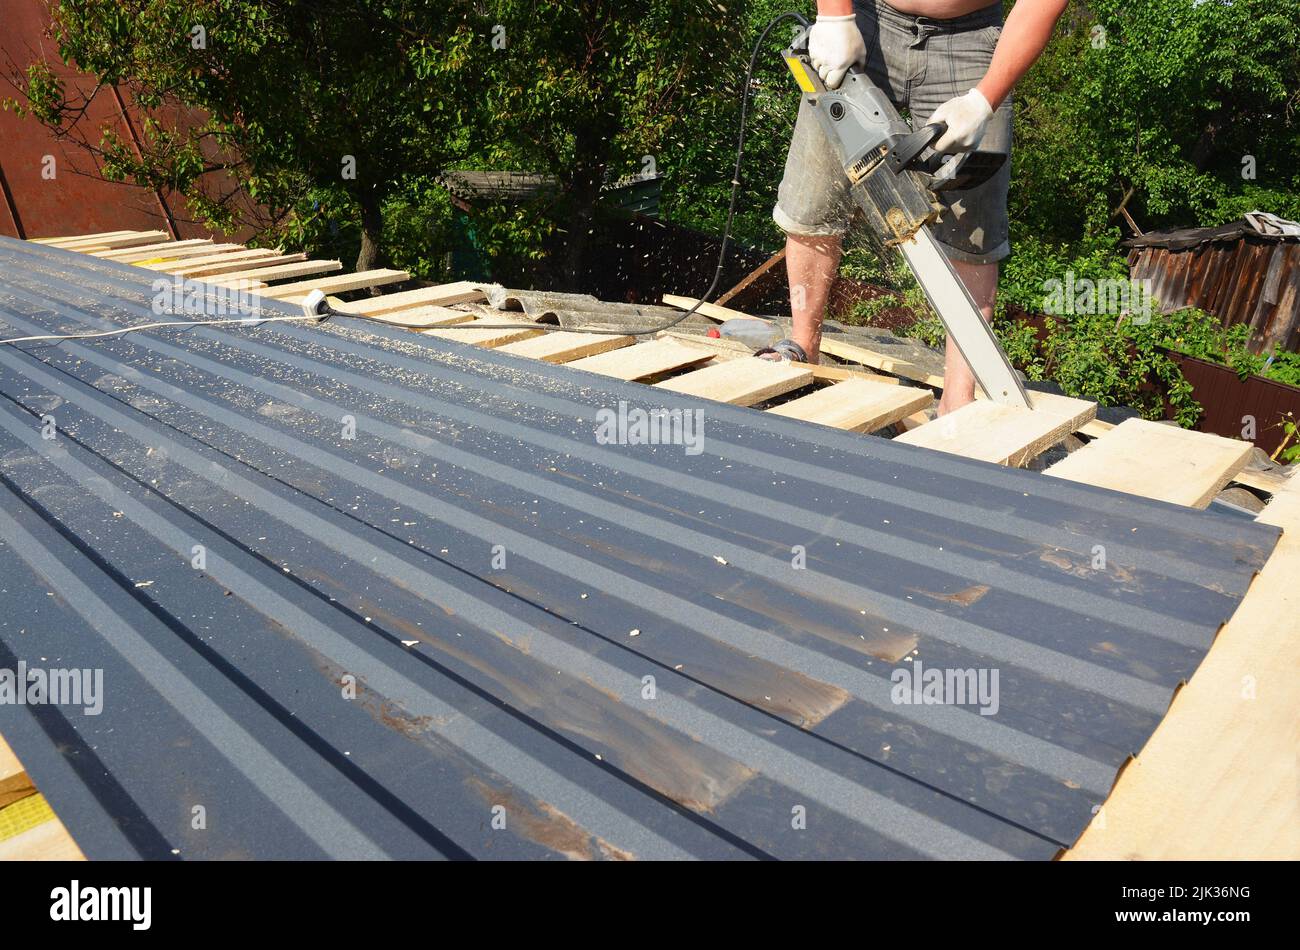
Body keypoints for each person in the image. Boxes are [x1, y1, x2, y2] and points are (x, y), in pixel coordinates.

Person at [771, 0, 1067, 414]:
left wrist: (984, 100)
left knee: (972, 231)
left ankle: (957, 400)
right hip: (866, 19)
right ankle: (802, 348)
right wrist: (834, 15)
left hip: (973, 40)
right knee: (814, 200)